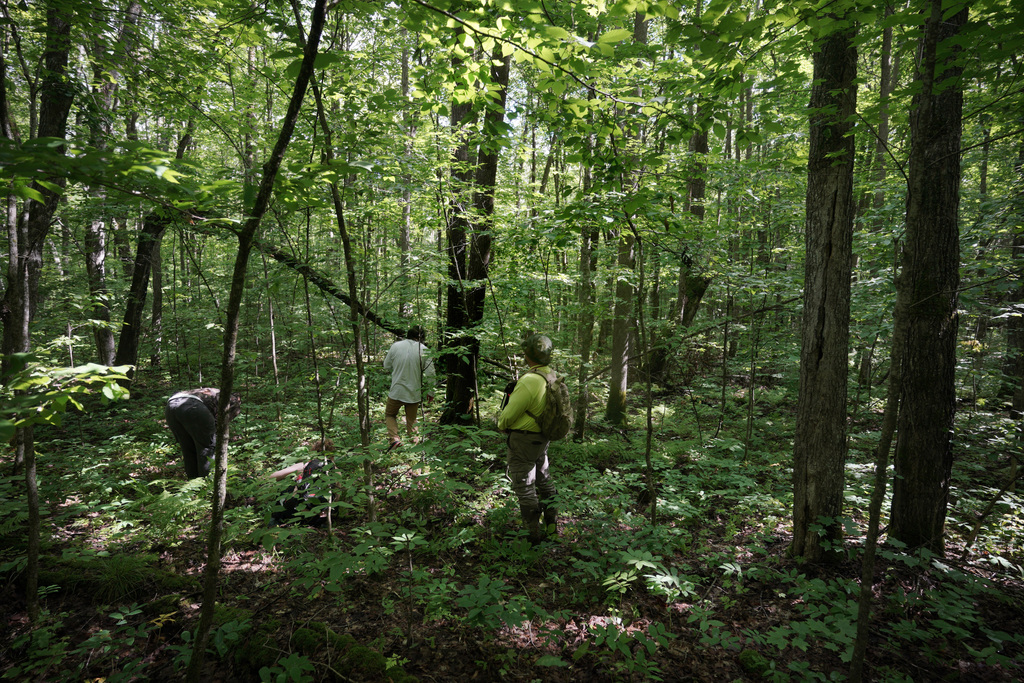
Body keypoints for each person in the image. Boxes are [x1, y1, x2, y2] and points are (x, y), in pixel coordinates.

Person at [498, 333, 558, 545]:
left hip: (524, 441)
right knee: (544, 479)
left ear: (528, 355)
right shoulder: (551, 375)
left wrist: (501, 424)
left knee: (525, 487)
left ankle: (533, 539)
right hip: (542, 439)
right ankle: (551, 527)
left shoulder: (530, 380)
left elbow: (508, 416)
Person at [165, 388, 241, 479]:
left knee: (188, 449)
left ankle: (194, 485)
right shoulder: (232, 401)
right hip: (192, 406)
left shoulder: (213, 392)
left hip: (171, 406)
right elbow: (220, 421)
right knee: (207, 449)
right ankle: (208, 486)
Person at [383, 325, 435, 448]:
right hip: (413, 392)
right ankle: (414, 446)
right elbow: (431, 373)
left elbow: (386, 365)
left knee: (390, 414)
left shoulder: (396, 346)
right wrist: (431, 392)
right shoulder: (424, 349)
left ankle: (394, 439)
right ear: (422, 338)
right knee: (412, 419)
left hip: (397, 390)